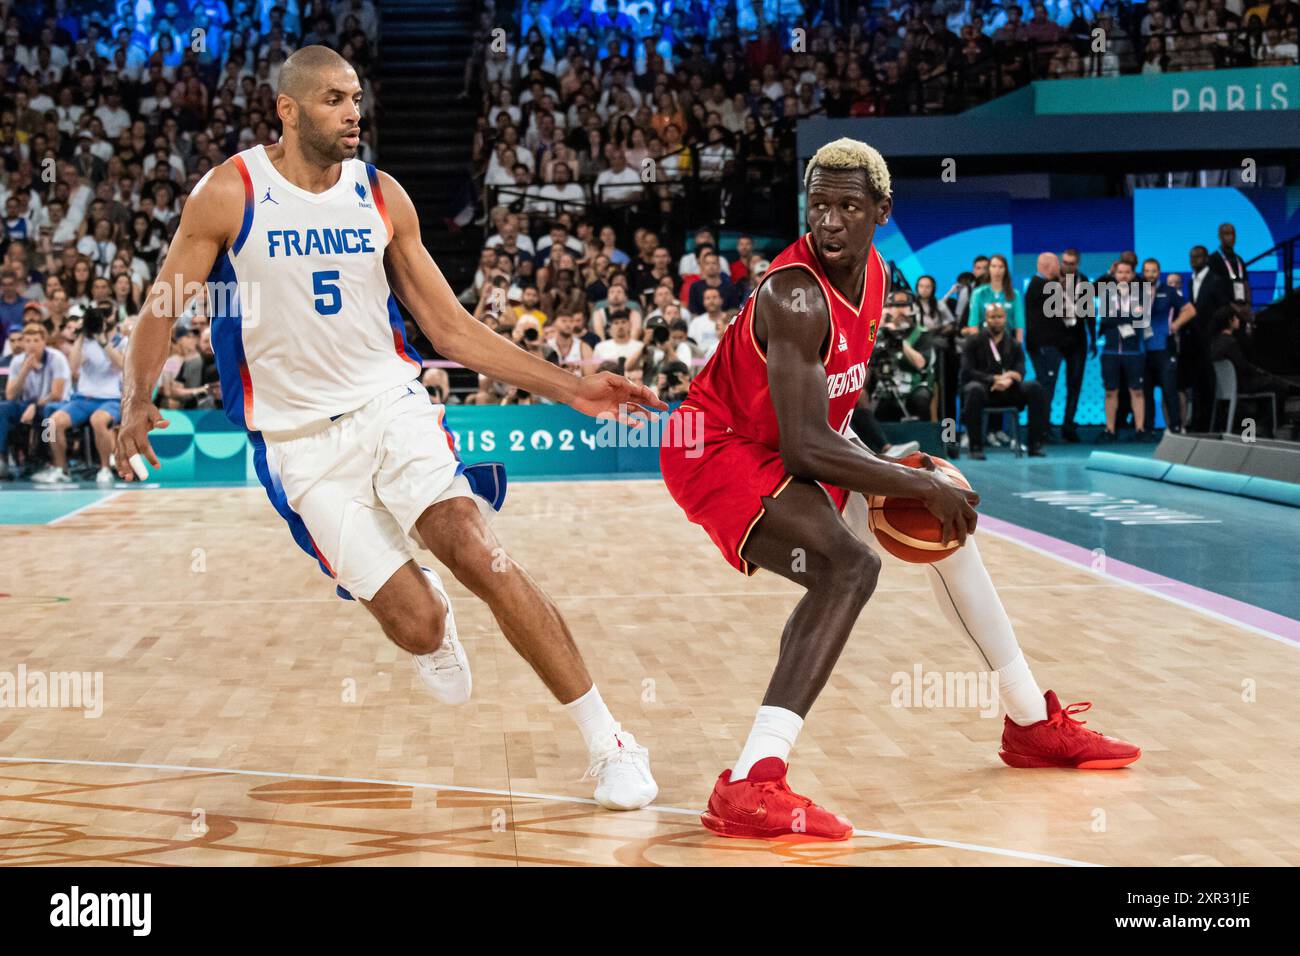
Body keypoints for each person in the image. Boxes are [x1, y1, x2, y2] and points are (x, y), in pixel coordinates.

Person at [115, 46, 664, 812]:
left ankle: (609, 742)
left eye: (357, 100)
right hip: (301, 447)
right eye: (336, 99)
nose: (353, 113)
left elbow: (451, 327)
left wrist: (573, 388)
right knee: (415, 624)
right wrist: (136, 397)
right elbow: (163, 304)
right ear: (289, 108)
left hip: (391, 408)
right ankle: (433, 623)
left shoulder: (381, 195)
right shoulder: (229, 193)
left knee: (485, 556)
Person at [659, 138, 1138, 842]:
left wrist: (889, 467)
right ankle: (751, 782)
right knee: (848, 566)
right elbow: (803, 446)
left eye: (848, 207)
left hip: (782, 438)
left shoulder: (875, 275)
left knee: (943, 529)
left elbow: (829, 411)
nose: (828, 221)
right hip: (713, 447)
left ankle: (1030, 718)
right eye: (817, 205)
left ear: (881, 210)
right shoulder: (794, 294)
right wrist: (900, 473)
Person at [961, 302, 1049, 458]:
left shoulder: (1014, 344)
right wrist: (993, 378)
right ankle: (975, 447)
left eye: (1000, 317)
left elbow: (1020, 369)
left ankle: (1035, 445)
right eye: (992, 317)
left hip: (1008, 390)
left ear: (1005, 318)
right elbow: (968, 371)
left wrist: (1008, 380)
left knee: (1034, 388)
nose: (996, 320)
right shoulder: (973, 342)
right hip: (984, 389)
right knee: (973, 389)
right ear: (986, 319)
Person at [1, 322, 70, 474]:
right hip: (27, 404)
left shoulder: (56, 358)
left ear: (44, 342)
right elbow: (10, 395)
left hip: (55, 404)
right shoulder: (17, 361)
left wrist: (34, 406)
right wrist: (24, 372)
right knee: (3, 408)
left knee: (48, 415)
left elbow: (57, 394)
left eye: (36, 341)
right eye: (28, 341)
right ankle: (2, 459)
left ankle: (51, 460)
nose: (32, 345)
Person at [1096, 260, 1151, 441]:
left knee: (1137, 390)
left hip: (1133, 351)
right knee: (1111, 391)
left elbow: (1141, 318)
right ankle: (1110, 430)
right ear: (1115, 275)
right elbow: (1106, 320)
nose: (1123, 276)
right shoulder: (1107, 294)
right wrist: (1126, 317)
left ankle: (1140, 429)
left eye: (1127, 272)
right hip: (1110, 351)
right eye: (1120, 272)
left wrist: (1118, 317)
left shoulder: (1141, 294)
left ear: (1133, 275)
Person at [1140, 257, 1194, 435]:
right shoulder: (1136, 291)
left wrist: (1176, 325)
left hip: (1164, 347)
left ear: (1159, 272)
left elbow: (1190, 310)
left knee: (1169, 390)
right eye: (1147, 271)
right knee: (1145, 392)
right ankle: (1147, 429)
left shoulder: (1169, 291)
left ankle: (1176, 426)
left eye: (1153, 271)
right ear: (1142, 272)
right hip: (1142, 348)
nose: (1150, 274)